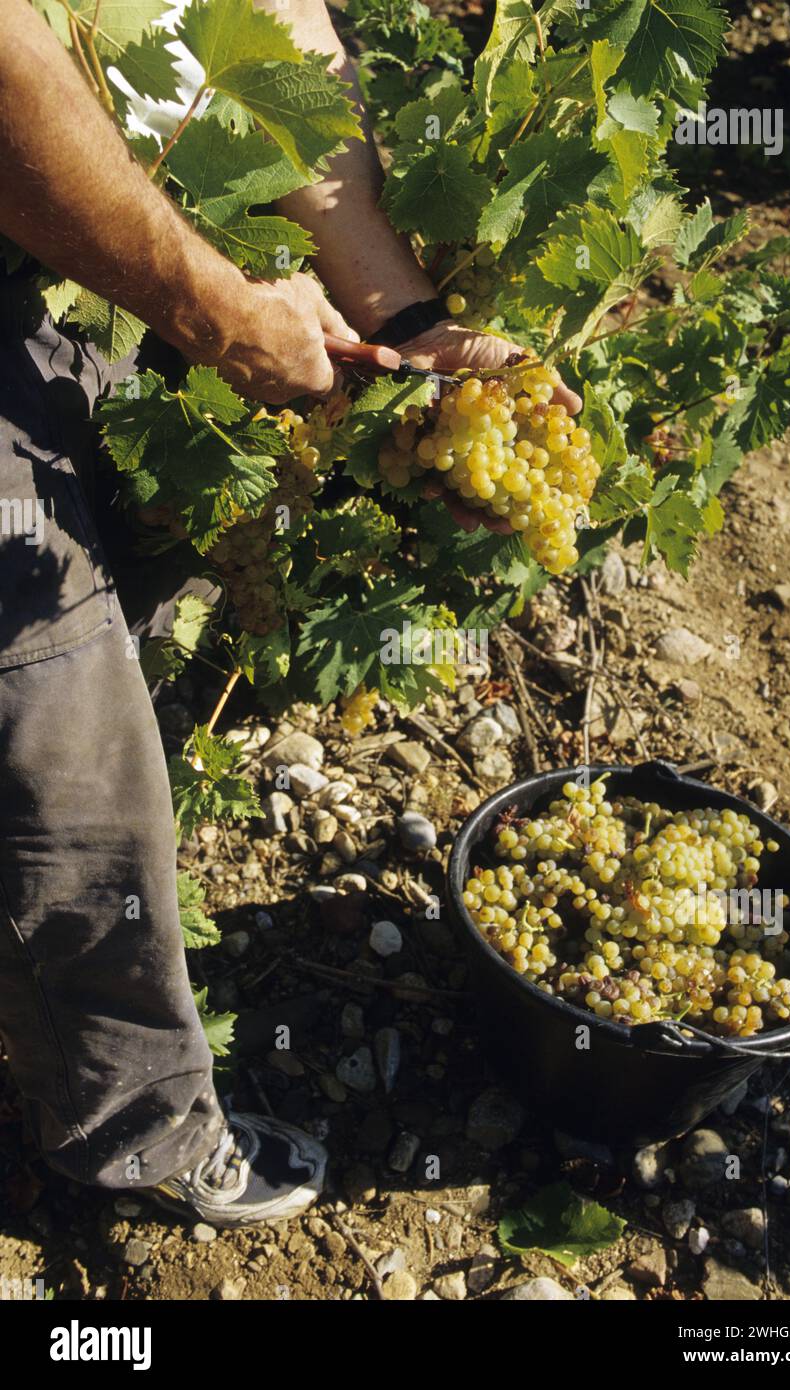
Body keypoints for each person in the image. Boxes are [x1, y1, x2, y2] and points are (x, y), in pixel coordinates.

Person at [0, 0, 580, 1227]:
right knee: (66, 745)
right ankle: (137, 1137)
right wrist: (210, 306)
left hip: (80, 247)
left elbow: (272, 31)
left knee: (118, 588)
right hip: (52, 219)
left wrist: (405, 321)